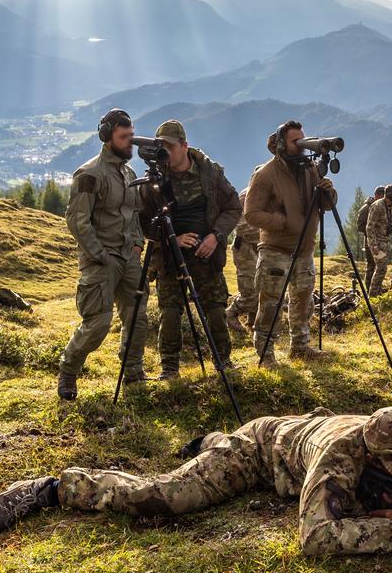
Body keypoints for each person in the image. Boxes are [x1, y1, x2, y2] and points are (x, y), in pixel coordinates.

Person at [0, 407, 392, 556]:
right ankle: (54, 488)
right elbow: (315, 537)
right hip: (263, 451)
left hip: (302, 428)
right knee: (167, 497)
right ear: (373, 453)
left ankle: (209, 440)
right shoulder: (340, 457)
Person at [58, 108, 146, 399]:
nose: (129, 142)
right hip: (101, 259)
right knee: (98, 323)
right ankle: (69, 371)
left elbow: (134, 214)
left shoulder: (129, 172)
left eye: (131, 136)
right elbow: (77, 220)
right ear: (107, 137)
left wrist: (137, 244)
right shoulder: (89, 174)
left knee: (138, 318)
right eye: (124, 137)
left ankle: (133, 372)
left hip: (128, 257)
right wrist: (100, 254)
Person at [142, 119, 241, 380]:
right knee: (170, 312)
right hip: (170, 258)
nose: (165, 152)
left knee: (216, 310)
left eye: (170, 147)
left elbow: (233, 207)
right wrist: (171, 240)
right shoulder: (154, 180)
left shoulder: (210, 173)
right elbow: (143, 221)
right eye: (160, 147)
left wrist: (216, 236)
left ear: (184, 145)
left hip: (205, 256)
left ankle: (224, 363)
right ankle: (169, 369)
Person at [245, 120, 337, 366]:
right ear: (282, 144)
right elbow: (251, 214)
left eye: (303, 140)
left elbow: (326, 206)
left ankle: (300, 347)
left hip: (305, 251)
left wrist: (329, 190)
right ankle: (266, 353)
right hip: (276, 251)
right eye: (296, 141)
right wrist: (282, 221)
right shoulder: (266, 174)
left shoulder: (309, 170)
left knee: (303, 303)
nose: (301, 145)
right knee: (271, 306)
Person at [224, 187, 260, 337]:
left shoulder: (270, 193)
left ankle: (252, 322)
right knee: (250, 291)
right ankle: (231, 313)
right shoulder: (246, 196)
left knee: (262, 287)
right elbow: (242, 226)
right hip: (245, 248)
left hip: (259, 247)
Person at [365, 184, 392, 296]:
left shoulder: (389, 207)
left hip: (384, 242)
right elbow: (369, 227)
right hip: (377, 243)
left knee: (382, 269)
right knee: (381, 269)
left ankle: (377, 291)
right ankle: (373, 294)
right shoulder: (377, 206)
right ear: (389, 194)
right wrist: (374, 247)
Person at [359, 183, 385, 287]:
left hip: (379, 242)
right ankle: (369, 287)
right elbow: (360, 225)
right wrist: (371, 234)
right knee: (372, 265)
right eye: (382, 195)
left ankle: (376, 286)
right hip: (370, 242)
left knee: (379, 266)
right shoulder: (367, 208)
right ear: (377, 195)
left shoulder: (381, 207)